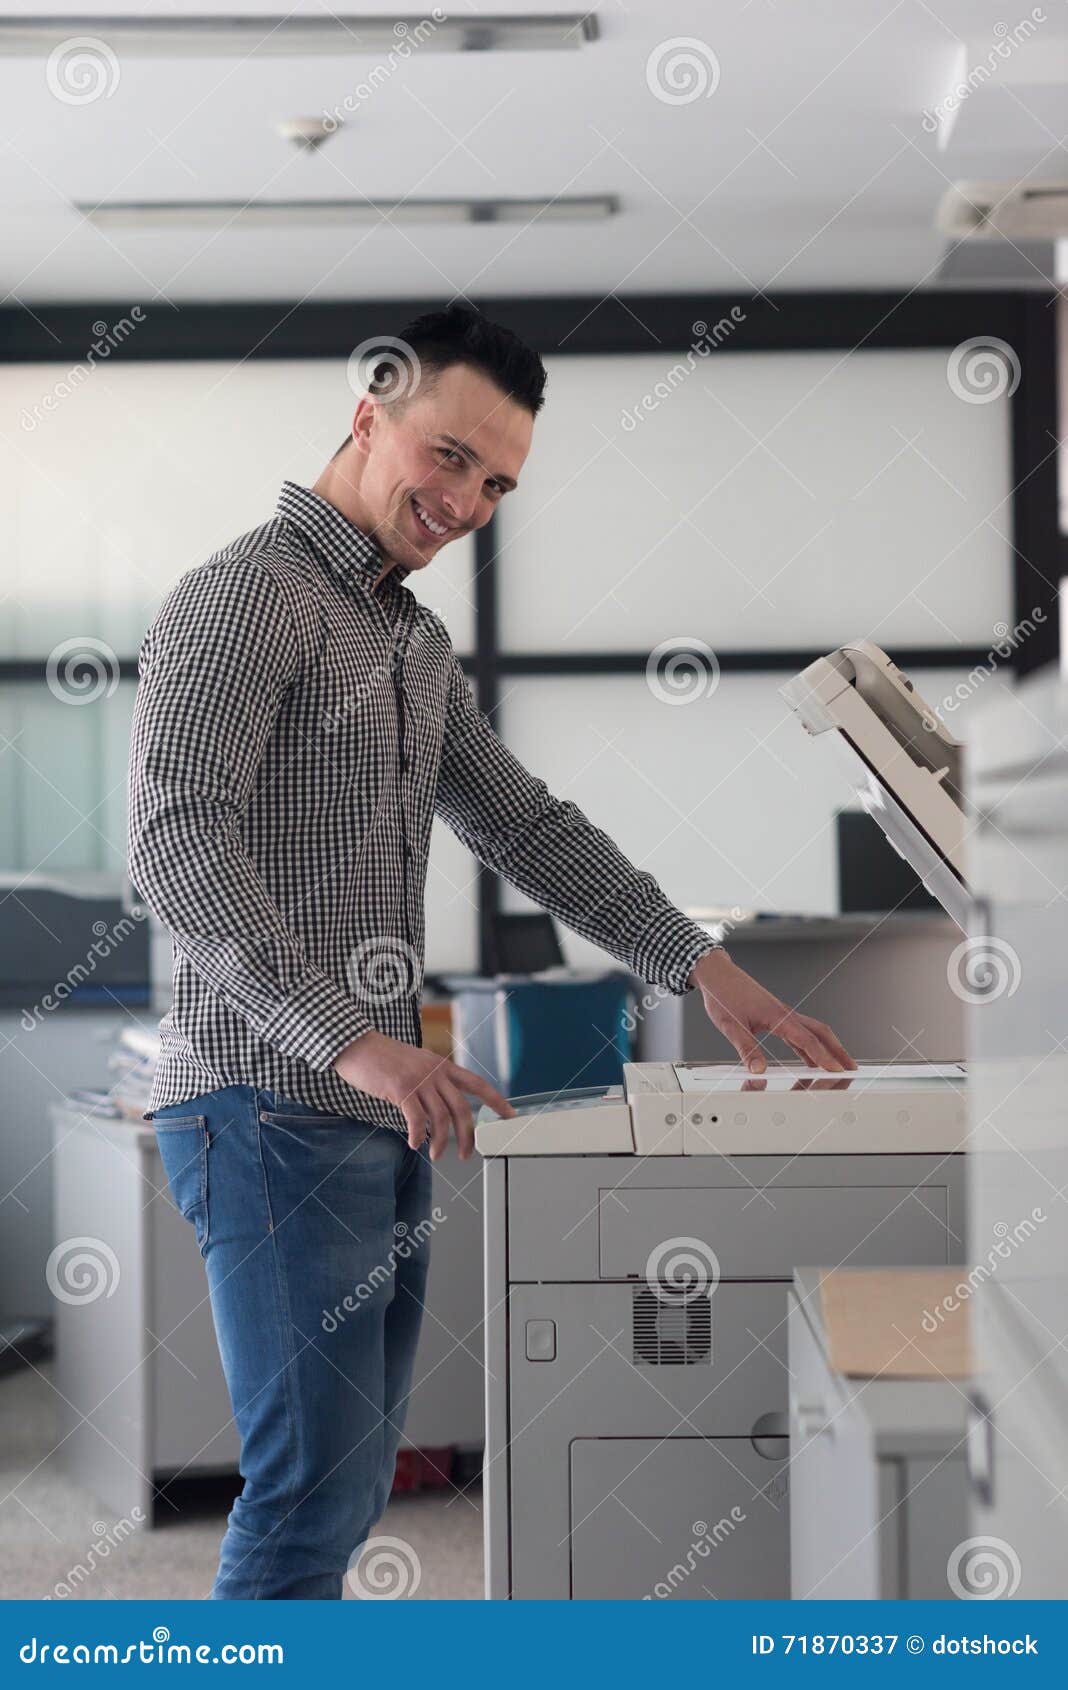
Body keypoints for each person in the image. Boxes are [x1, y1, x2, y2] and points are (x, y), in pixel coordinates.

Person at [127, 302, 855, 1600]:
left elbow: (525, 826)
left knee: (347, 1487)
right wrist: (356, 1045)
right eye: (451, 456)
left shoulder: (409, 639)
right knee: (306, 1494)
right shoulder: (247, 598)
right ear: (369, 416)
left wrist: (702, 965)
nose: (467, 501)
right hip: (268, 1098)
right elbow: (175, 846)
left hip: (372, 1104)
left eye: (499, 482)